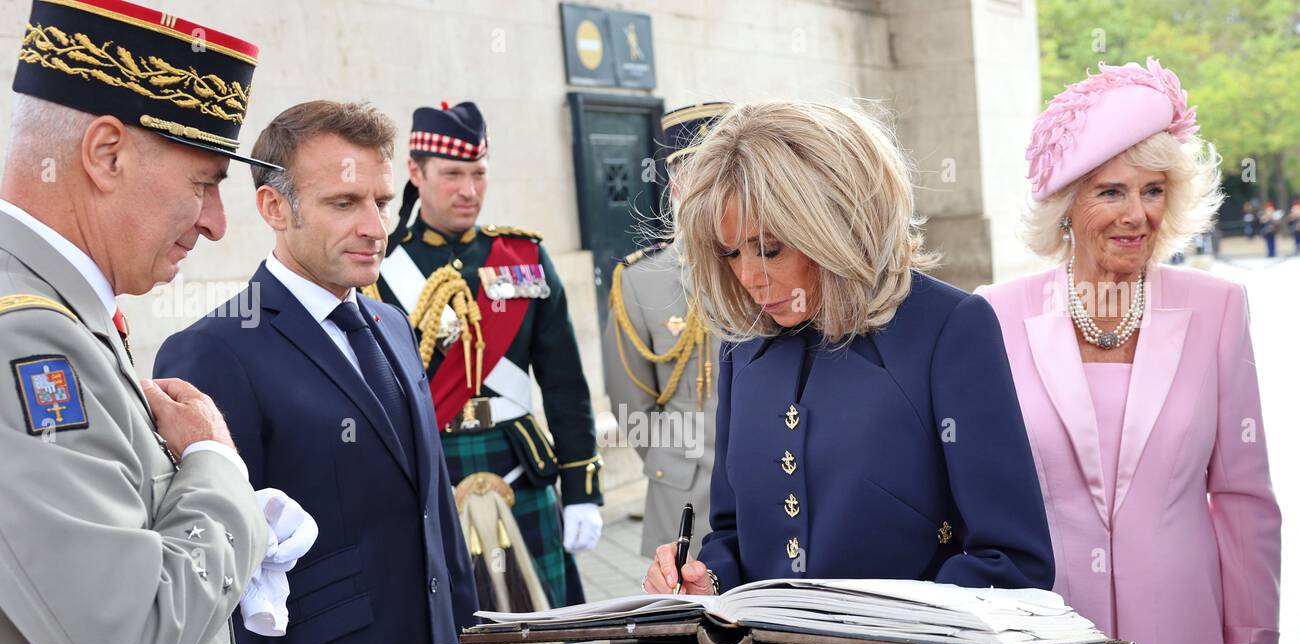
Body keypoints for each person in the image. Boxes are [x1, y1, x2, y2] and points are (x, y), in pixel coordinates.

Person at [978, 57, 1299, 644]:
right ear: (1065, 205)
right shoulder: (996, 317)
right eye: (1111, 191)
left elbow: (1246, 496)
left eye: (1153, 190)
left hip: (1186, 635)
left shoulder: (1219, 308)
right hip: (1047, 635)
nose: (1137, 214)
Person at [155, 101, 476, 644]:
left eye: (381, 201)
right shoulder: (215, 353)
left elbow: (435, 527)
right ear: (273, 206)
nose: (374, 225)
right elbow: (219, 584)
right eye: (343, 203)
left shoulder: (394, 328)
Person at [0, 0, 270, 644]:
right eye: (203, 182)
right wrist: (224, 484)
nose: (219, 221)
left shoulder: (63, 315)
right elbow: (127, 638)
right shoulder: (25, 337)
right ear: (106, 153)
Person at [642, 101, 1054, 597]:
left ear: (837, 225)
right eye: (731, 252)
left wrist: (879, 631)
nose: (748, 277)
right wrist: (704, 577)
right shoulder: (742, 343)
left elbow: (1013, 562)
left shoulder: (949, 327)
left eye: (769, 248)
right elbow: (731, 534)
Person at [372, 102, 602, 608]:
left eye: (478, 173)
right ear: (415, 172)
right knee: (449, 626)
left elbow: (565, 384)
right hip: (429, 468)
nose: (469, 190)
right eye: (452, 174)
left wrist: (582, 488)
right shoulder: (379, 269)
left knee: (545, 627)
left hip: (520, 464)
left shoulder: (525, 259)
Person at [603, 102, 732, 559]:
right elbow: (630, 400)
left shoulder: (776, 263)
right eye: (703, 176)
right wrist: (672, 462)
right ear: (677, 185)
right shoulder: (641, 280)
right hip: (684, 494)